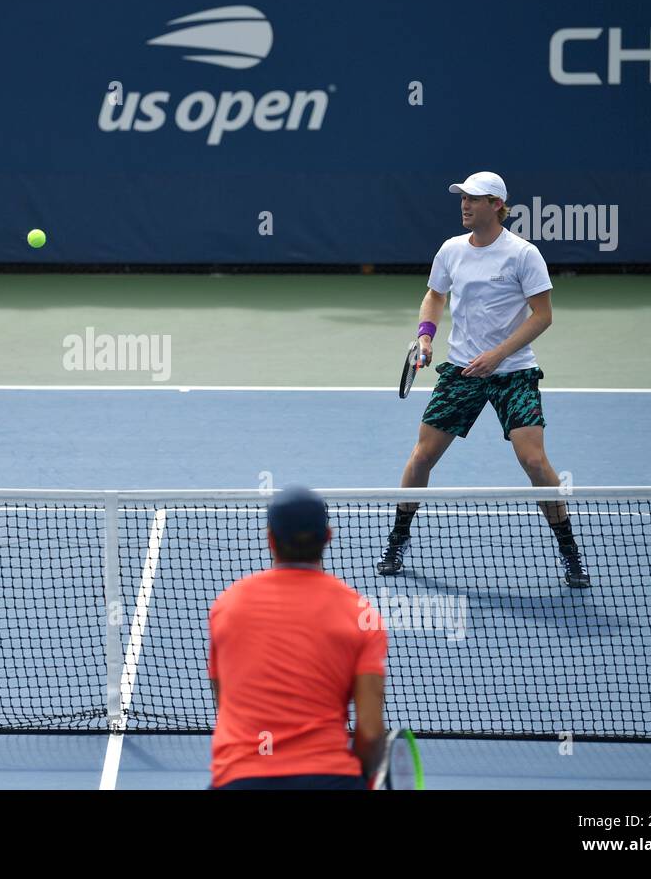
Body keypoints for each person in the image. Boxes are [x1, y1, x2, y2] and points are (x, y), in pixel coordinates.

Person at [378, 171, 588, 587]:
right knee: (422, 457)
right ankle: (397, 540)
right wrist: (425, 336)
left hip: (514, 373)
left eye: (474, 199)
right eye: (462, 198)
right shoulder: (451, 250)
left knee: (533, 461)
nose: (464, 205)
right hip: (460, 372)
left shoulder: (523, 254)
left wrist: (498, 355)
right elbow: (435, 295)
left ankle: (569, 551)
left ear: (497, 205)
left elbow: (543, 316)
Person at [208, 486, 387, 789]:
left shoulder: (227, 605)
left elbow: (224, 703)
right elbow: (369, 732)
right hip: (331, 778)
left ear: (271, 540)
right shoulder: (361, 614)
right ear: (327, 537)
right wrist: (363, 776)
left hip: (241, 777)